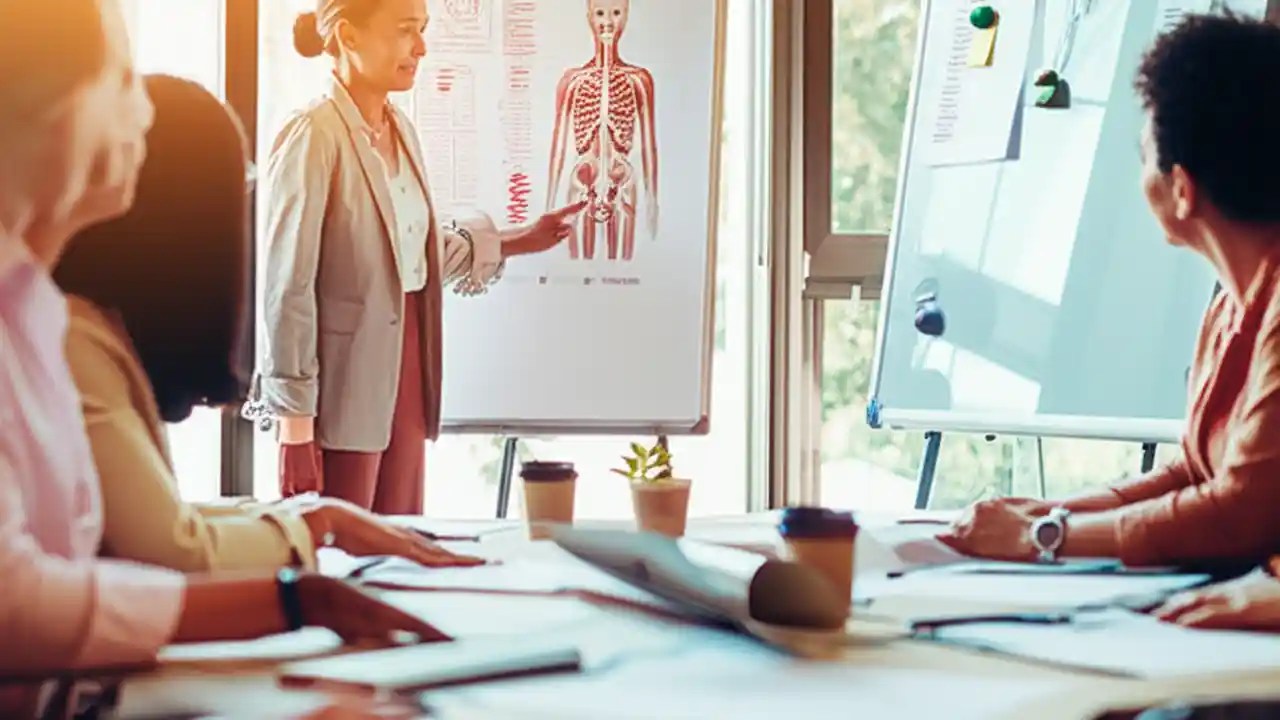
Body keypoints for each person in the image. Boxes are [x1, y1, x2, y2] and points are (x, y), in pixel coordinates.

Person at [0, 3, 451, 714]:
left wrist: (314, 529)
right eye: (121, 81)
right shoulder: (47, 335)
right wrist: (295, 600)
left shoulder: (36, 316)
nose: (145, 114)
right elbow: (20, 604)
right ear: (49, 107)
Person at [54, 73, 484, 574]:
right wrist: (312, 517)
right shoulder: (74, 350)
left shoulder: (89, 336)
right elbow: (176, 551)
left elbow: (158, 523)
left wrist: (311, 520)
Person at [940, 13, 1280, 570]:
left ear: (1183, 189)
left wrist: (1042, 537)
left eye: (1144, 156)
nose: (1140, 174)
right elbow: (1197, 470)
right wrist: (1054, 511)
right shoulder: (1230, 305)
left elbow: (1241, 511)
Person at [253, 0, 585, 515]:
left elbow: (416, 258)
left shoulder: (402, 130)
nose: (421, 48)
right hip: (339, 386)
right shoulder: (313, 134)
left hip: (408, 364)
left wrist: (523, 237)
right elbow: (286, 289)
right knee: (344, 553)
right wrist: (295, 424)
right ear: (348, 36)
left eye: (423, 31)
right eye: (406, 31)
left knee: (401, 536)